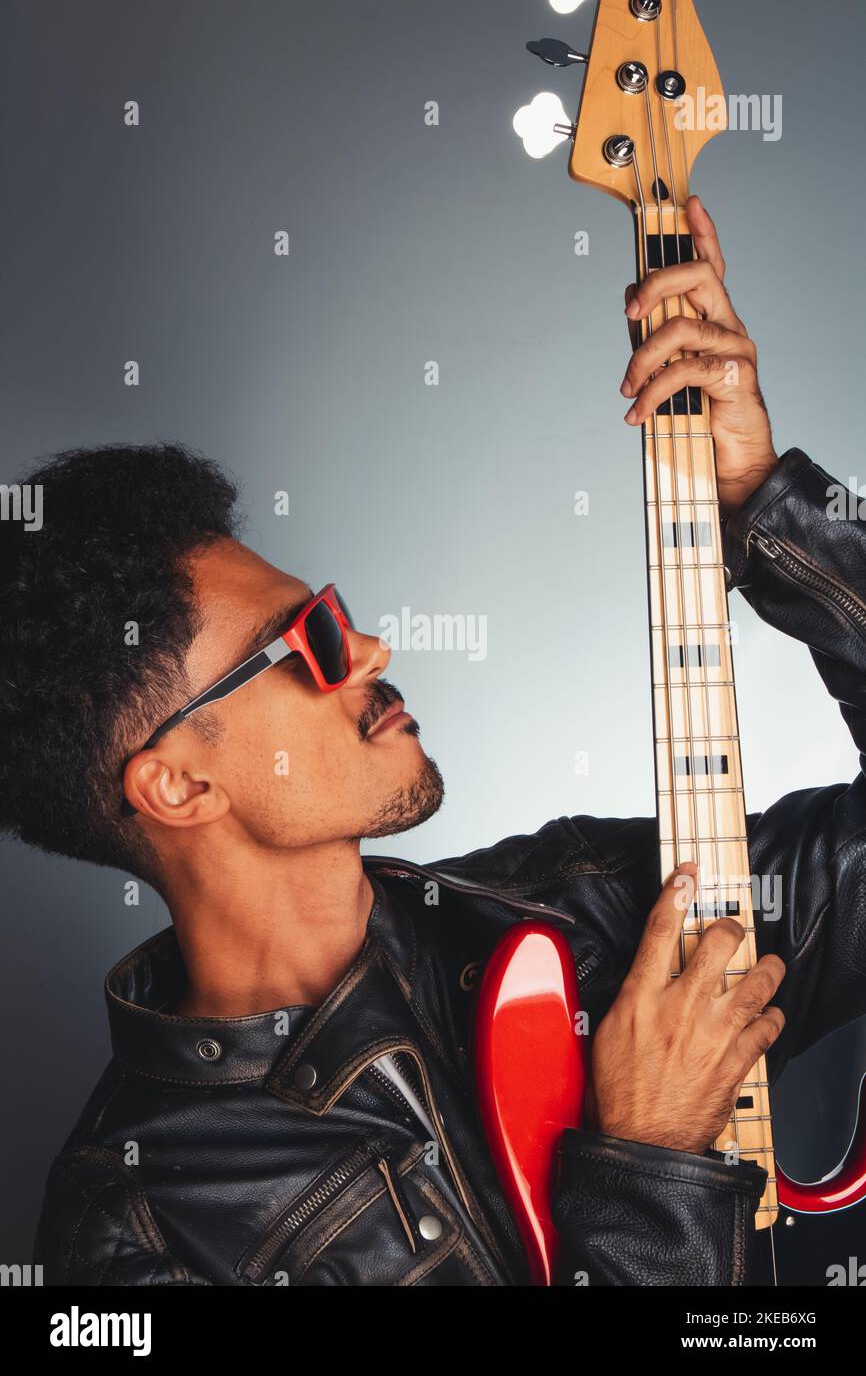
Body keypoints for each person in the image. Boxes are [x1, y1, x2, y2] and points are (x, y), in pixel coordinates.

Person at [10, 199, 864, 1285]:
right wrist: (646, 1167)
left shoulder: (582, 907)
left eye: (334, 609)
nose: (365, 647)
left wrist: (768, 506)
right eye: (303, 643)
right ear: (177, 783)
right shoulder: (139, 1228)